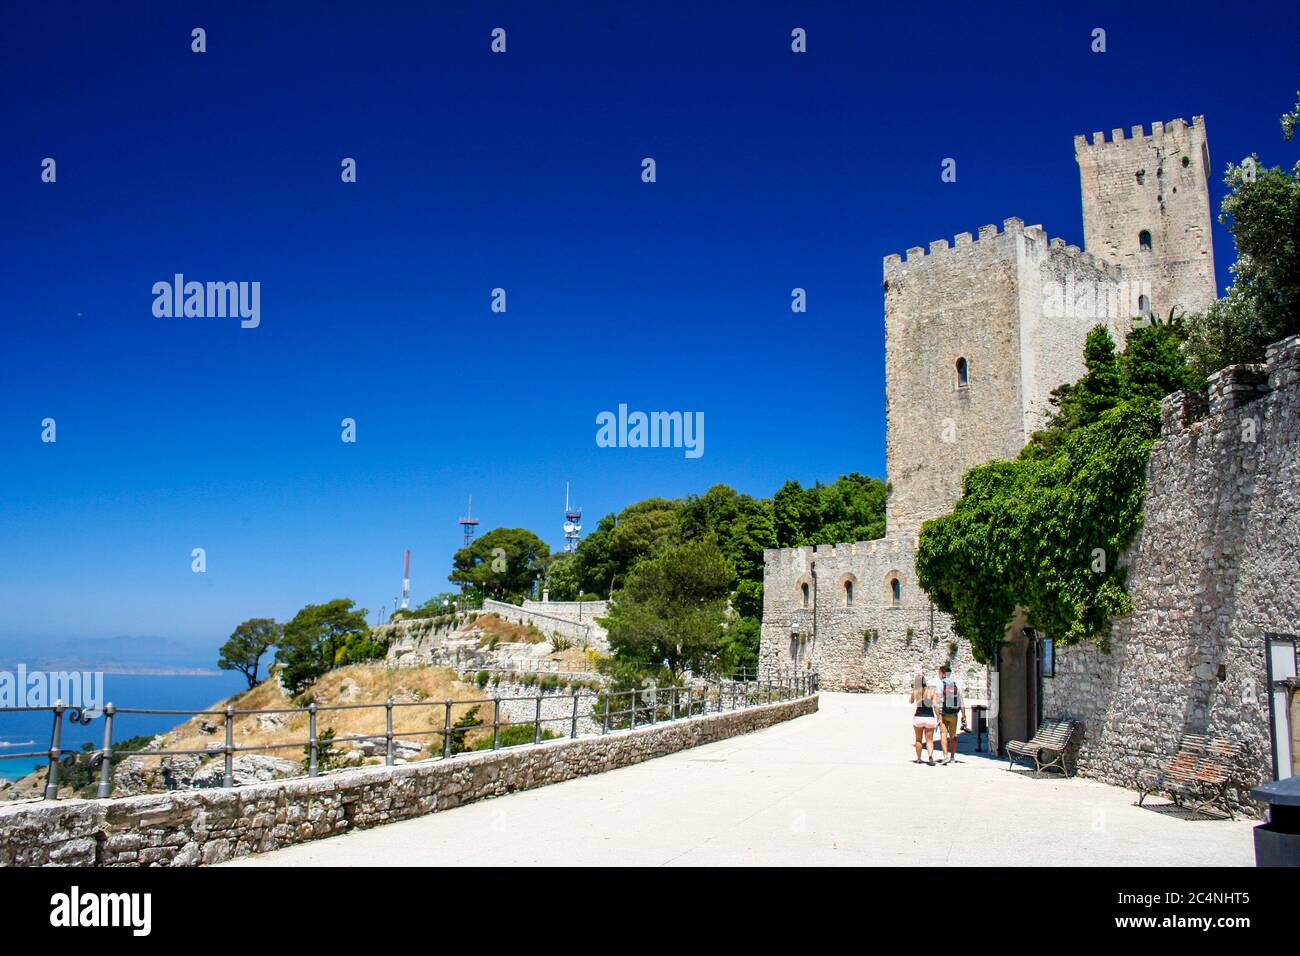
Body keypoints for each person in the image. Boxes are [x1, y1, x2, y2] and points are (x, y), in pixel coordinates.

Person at [936, 665, 964, 765]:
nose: (938, 675)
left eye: (939, 673)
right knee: (953, 735)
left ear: (943, 673)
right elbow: (961, 700)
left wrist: (938, 717)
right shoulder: (957, 683)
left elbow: (937, 702)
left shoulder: (940, 684)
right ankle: (952, 757)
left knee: (943, 734)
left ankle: (945, 756)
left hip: (943, 713)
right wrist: (963, 715)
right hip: (954, 713)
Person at [909, 673, 939, 765]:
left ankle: (918, 758)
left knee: (918, 739)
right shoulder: (931, 691)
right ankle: (930, 756)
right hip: (929, 717)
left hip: (918, 717)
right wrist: (939, 717)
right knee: (929, 740)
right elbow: (935, 705)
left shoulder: (916, 691)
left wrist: (913, 692)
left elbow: (910, 702)